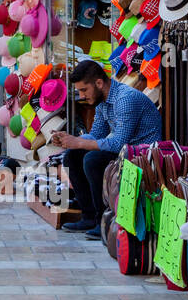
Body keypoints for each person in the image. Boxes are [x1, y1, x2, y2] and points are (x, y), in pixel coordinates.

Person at [51, 59, 163, 238]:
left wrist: (79, 142)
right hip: (125, 152)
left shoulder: (125, 99)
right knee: (72, 156)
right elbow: (96, 135)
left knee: (92, 160)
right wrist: (70, 141)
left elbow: (119, 143)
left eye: (84, 90)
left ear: (99, 83)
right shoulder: (102, 101)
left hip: (142, 157)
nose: (81, 96)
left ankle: (104, 220)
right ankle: (88, 217)